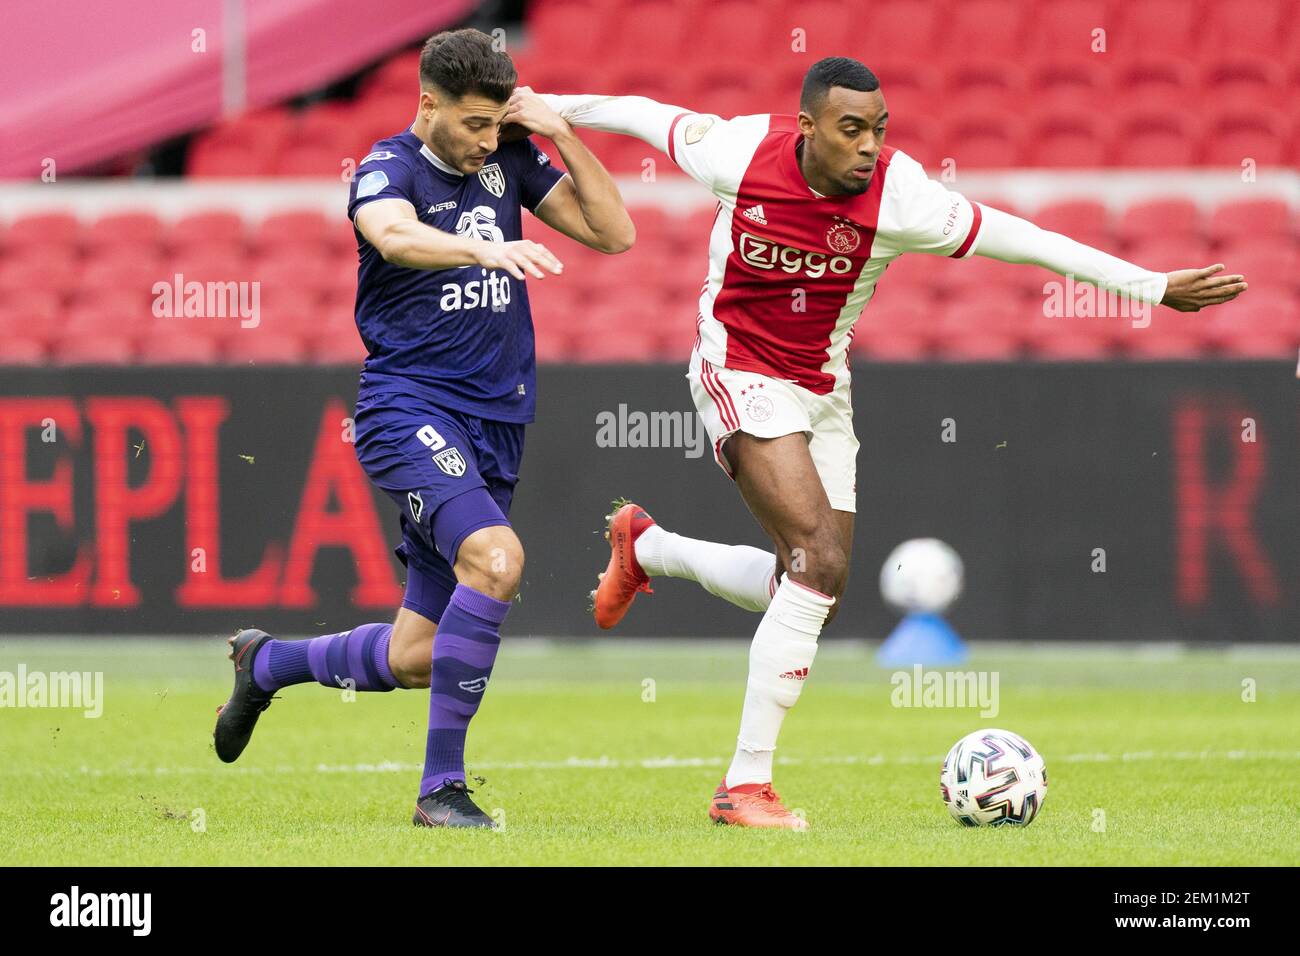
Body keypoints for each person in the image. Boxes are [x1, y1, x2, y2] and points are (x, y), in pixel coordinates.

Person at [542, 56, 1247, 829]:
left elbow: (1024, 240)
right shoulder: (739, 152)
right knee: (820, 561)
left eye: (880, 128)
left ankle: (650, 550)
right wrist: (543, 105)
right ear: (808, 127)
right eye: (851, 129)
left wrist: (1149, 286)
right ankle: (745, 786)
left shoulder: (901, 196)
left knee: (813, 587)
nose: (870, 145)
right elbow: (643, 111)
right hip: (736, 366)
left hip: (824, 388)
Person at [213, 28, 634, 829]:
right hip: (409, 406)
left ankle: (265, 662)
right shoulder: (387, 167)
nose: (485, 140)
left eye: (496, 122)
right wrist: (481, 253)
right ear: (428, 104)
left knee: (415, 660)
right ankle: (441, 792)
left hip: (498, 419)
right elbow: (393, 235)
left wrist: (557, 131)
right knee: (498, 558)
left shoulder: (508, 155)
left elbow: (615, 234)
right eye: (473, 123)